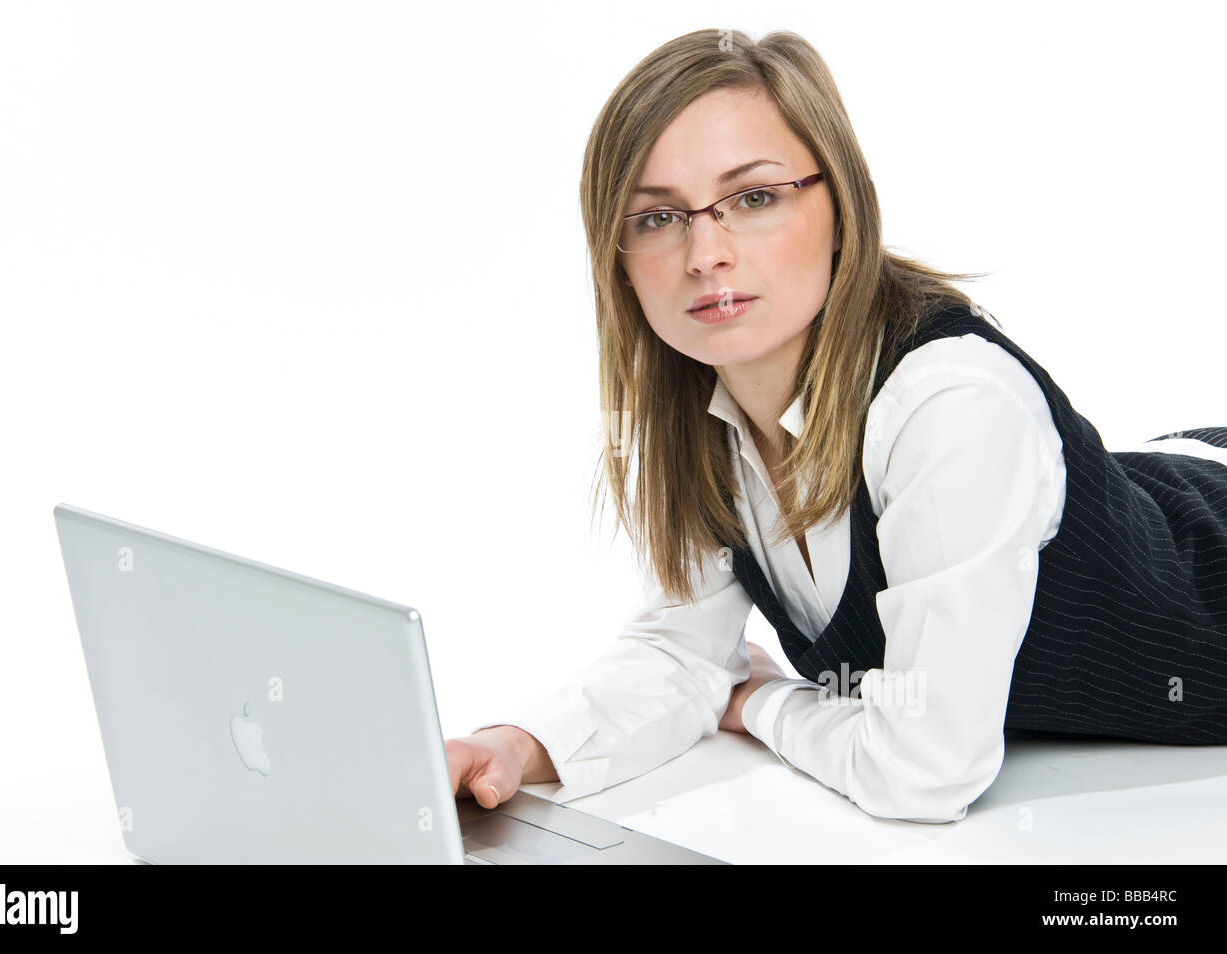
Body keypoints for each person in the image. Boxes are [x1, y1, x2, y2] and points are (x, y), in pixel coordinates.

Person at [444, 28, 1227, 824]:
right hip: (1154, 482)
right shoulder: (702, 415)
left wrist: (764, 706)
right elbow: (683, 657)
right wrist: (515, 745)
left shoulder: (950, 406)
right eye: (656, 218)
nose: (705, 253)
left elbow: (924, 771)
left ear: (842, 204)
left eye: (753, 198)